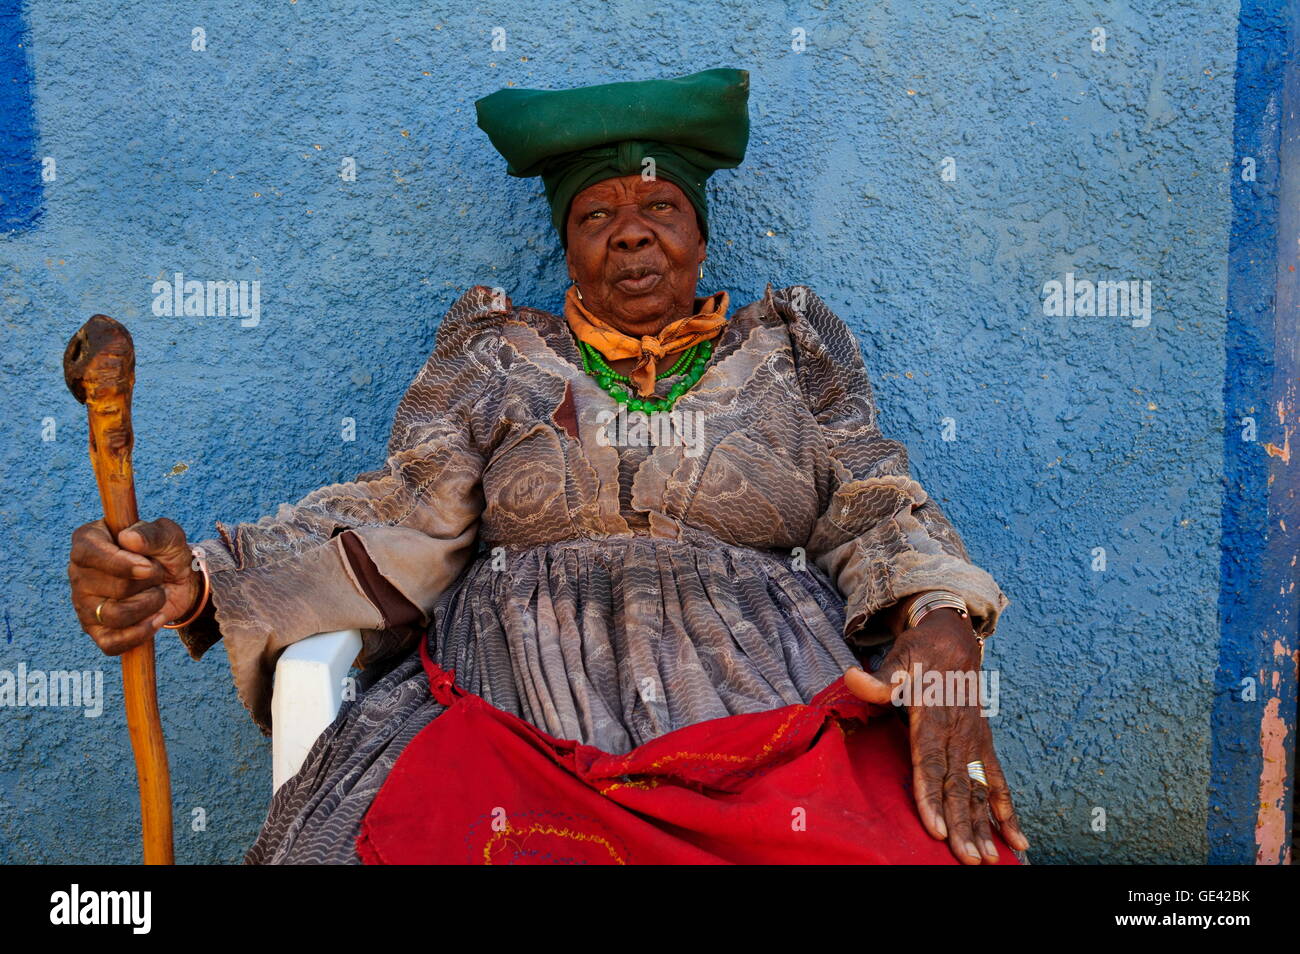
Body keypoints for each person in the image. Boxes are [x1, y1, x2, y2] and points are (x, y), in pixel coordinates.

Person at [67, 67, 1029, 864]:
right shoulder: (495, 355)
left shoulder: (788, 348)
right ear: (567, 246)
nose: (632, 230)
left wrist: (941, 624)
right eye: (596, 214)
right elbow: (405, 513)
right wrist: (192, 578)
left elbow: (875, 502)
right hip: (520, 708)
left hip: (770, 704)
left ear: (700, 233)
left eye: (660, 205)